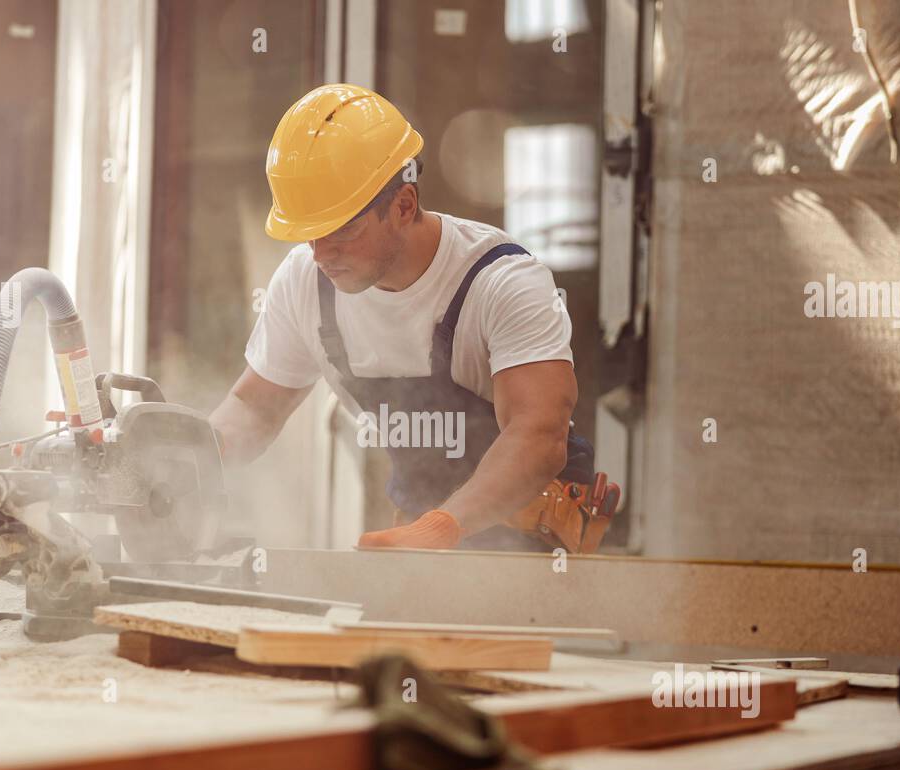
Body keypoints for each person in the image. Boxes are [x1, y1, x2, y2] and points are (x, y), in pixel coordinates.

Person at [210, 83, 614, 552]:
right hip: (424, 544)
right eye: (309, 235)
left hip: (532, 552)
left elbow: (537, 435)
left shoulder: (501, 282)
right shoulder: (306, 283)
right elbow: (255, 407)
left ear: (403, 206)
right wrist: (189, 454)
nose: (321, 254)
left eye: (343, 231)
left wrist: (441, 528)